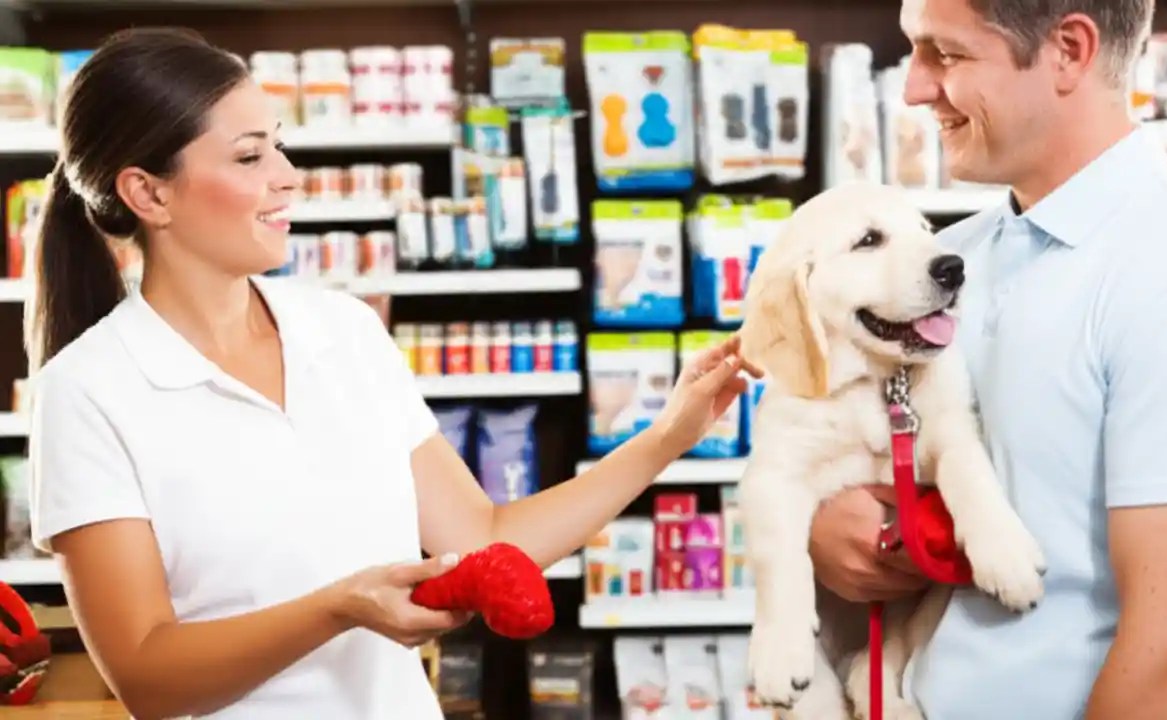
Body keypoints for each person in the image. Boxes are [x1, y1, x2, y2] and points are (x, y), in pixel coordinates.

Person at [25, 28, 757, 720]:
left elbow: (483, 533)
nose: (288, 179)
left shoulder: (342, 333)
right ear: (148, 194)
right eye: (250, 158)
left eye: (279, 148)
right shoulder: (89, 391)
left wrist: (670, 433)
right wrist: (338, 607)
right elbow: (147, 675)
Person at [808, 0, 1167, 718]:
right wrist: (830, 528)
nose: (913, 87)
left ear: (1067, 50)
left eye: (947, 54)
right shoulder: (950, 261)